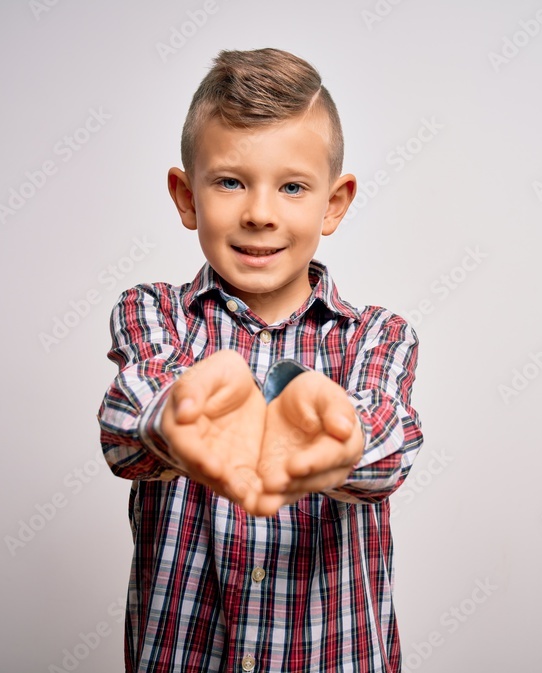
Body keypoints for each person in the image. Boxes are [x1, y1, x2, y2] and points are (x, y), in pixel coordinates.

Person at [97, 47, 423, 672]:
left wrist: (335, 432)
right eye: (229, 181)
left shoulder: (376, 337)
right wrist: (177, 412)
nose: (260, 212)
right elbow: (127, 425)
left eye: (293, 186)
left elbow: (392, 442)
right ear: (185, 195)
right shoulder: (155, 314)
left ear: (333, 203)